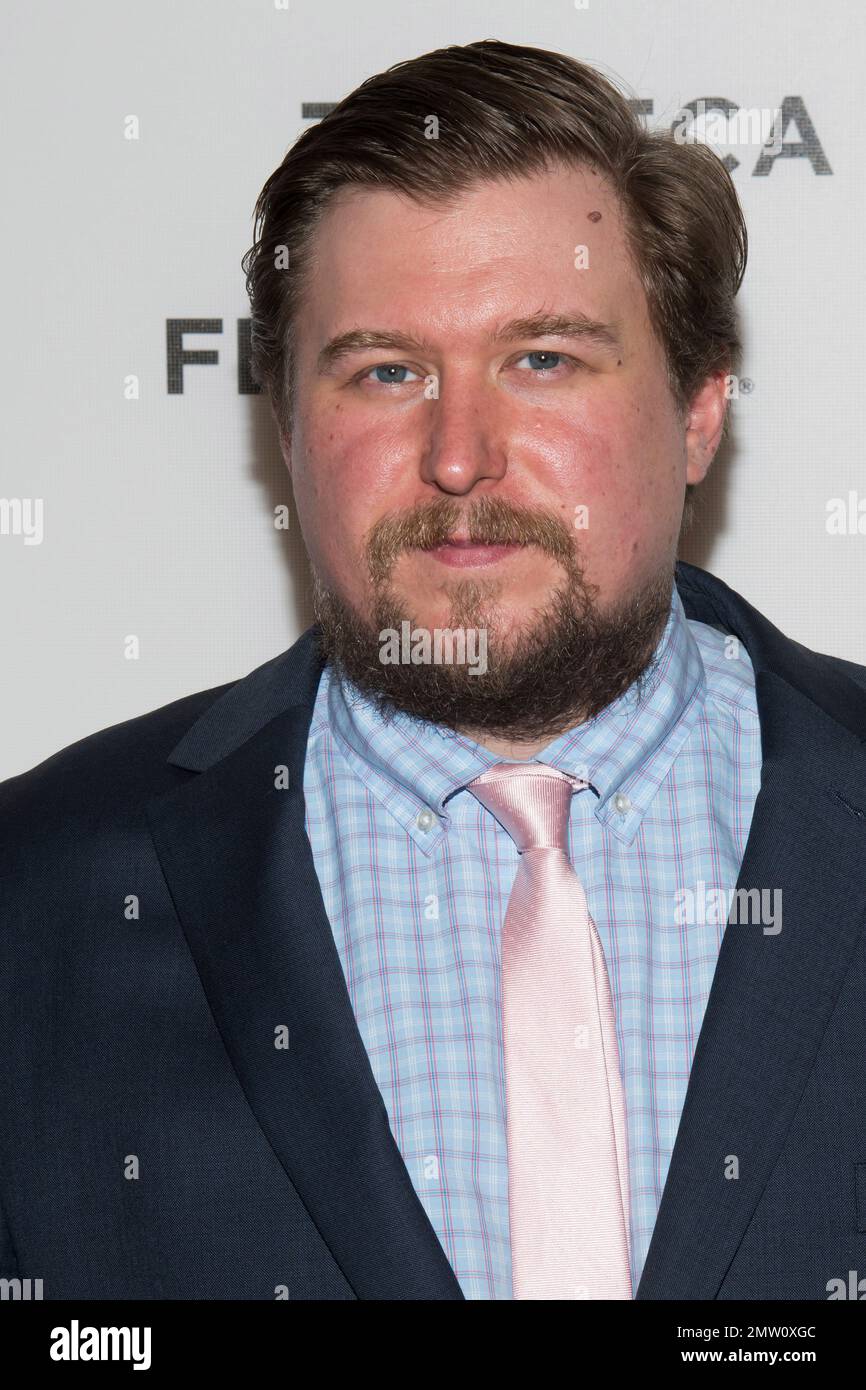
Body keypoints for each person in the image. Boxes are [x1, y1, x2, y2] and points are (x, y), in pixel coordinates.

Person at [2, 38, 865, 1302]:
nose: (459, 456)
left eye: (543, 360)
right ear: (286, 428)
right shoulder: (40, 895)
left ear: (696, 411)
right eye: (386, 371)